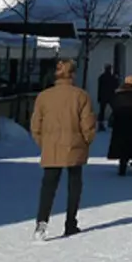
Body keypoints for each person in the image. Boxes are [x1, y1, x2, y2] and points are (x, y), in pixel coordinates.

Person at [30, 59, 96, 241]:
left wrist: (44, 143)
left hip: (51, 146)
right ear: (73, 74)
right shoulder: (81, 96)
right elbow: (88, 125)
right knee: (74, 184)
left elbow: (36, 125)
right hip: (74, 145)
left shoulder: (43, 96)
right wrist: (86, 141)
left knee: (48, 186)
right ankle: (70, 223)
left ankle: (41, 224)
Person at [96, 63, 117, 130]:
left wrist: (99, 97)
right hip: (111, 96)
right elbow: (116, 86)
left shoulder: (102, 77)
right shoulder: (112, 77)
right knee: (115, 109)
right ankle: (112, 122)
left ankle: (100, 124)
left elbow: (99, 88)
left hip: (103, 96)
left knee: (102, 111)